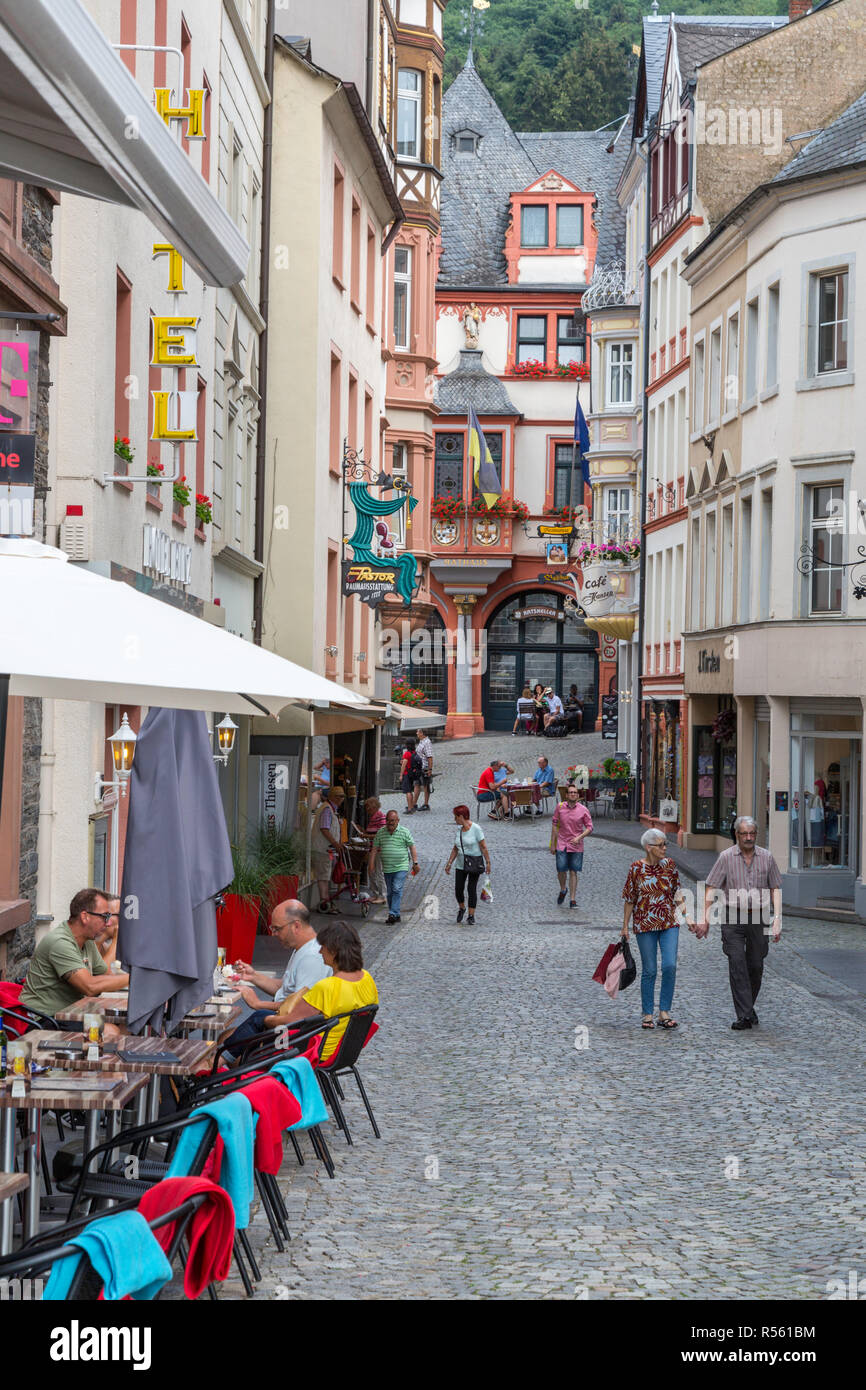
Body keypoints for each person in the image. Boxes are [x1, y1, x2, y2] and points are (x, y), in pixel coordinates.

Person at [697, 815, 782, 1031]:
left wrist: (777, 918)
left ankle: (748, 1007)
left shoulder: (767, 857)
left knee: (755, 965)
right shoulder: (726, 857)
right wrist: (704, 918)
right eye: (744, 833)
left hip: (759, 916)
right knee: (737, 963)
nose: (748, 837)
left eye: (752, 833)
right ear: (736, 835)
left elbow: (775, 888)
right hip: (732, 917)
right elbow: (711, 887)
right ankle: (744, 1015)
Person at [226, 900, 331, 1050]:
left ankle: (226, 1068)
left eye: (277, 929)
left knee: (228, 1039)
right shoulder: (302, 948)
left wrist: (257, 1003)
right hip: (285, 1024)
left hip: (292, 1035)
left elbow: (297, 1008)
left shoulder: (312, 956)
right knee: (229, 1037)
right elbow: (283, 987)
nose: (273, 934)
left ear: (296, 926)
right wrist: (253, 976)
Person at [270, 919, 378, 1061]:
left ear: (333, 951)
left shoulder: (327, 987)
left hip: (316, 1051)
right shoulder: (367, 979)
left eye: (323, 947)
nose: (320, 951)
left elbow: (290, 1020)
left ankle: (239, 1073)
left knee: (260, 1022)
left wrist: (268, 1019)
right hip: (342, 1051)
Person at [19, 888, 130, 1018]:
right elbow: (89, 986)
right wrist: (134, 979)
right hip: (43, 1018)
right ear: (85, 917)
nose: (108, 922)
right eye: (105, 916)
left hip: (71, 1013)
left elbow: (106, 975)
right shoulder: (60, 942)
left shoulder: (87, 940)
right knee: (111, 1031)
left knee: (126, 1025)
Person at [622, 829, 693, 1029]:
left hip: (669, 923)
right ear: (649, 847)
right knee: (650, 969)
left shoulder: (670, 866)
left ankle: (664, 1012)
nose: (664, 848)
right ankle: (647, 1013)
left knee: (670, 965)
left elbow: (677, 892)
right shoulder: (636, 869)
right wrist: (624, 927)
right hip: (644, 924)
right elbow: (629, 899)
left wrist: (687, 916)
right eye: (660, 845)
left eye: (665, 845)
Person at [368, 808, 420, 924]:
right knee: (390, 892)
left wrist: (415, 863)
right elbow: (374, 848)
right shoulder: (381, 832)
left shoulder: (404, 832)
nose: (390, 823)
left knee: (396, 888)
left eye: (392, 820)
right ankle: (395, 914)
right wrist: (371, 864)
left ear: (398, 820)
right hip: (387, 868)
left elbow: (412, 847)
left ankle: (392, 913)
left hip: (401, 866)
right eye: (388, 820)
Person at [444, 805, 491, 925]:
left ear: (461, 816)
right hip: (460, 864)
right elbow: (455, 848)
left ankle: (471, 915)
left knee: (471, 888)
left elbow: (483, 847)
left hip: (474, 863)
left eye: (456, 817)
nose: (454, 819)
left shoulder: (476, 829)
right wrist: (449, 863)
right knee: (458, 889)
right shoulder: (459, 831)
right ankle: (462, 907)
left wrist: (488, 862)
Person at [549, 784, 592, 908]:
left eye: (575, 792)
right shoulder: (560, 807)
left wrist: (579, 837)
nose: (573, 794)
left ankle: (572, 900)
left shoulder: (583, 810)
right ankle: (563, 889)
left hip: (577, 845)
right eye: (570, 792)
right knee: (561, 869)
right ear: (566, 795)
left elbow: (590, 827)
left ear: (578, 796)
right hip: (561, 843)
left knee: (573, 871)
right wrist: (553, 843)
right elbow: (554, 824)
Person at [312, 786, 345, 914]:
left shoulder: (330, 808)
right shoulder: (327, 809)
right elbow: (324, 828)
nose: (342, 799)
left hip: (325, 849)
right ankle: (324, 902)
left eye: (342, 796)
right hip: (322, 849)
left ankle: (326, 901)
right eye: (339, 796)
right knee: (323, 876)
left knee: (325, 875)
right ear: (333, 797)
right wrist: (335, 843)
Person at [361, 796, 387, 904]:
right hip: (373, 850)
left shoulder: (380, 816)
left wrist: (365, 835)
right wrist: (363, 832)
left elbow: (381, 834)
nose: (367, 810)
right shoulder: (374, 817)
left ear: (374, 807)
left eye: (368, 808)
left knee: (377, 872)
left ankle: (382, 895)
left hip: (379, 850)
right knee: (371, 871)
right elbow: (372, 832)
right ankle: (376, 894)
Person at [95, 896, 122, 970]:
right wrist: (117, 938)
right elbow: (103, 974)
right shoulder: (86, 945)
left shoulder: (105, 947)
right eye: (120, 916)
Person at [413, 729, 434, 812]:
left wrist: (430, 769)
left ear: (422, 733)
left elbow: (430, 756)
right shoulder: (422, 741)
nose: (416, 733)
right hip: (418, 767)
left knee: (426, 786)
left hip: (424, 767)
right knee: (417, 784)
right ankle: (414, 804)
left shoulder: (427, 742)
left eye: (418, 731)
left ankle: (426, 804)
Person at [399, 743, 415, 812]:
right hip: (412, 773)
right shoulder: (414, 752)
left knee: (408, 791)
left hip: (407, 774)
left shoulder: (407, 753)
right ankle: (411, 806)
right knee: (410, 791)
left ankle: (409, 808)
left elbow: (404, 765)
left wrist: (401, 775)